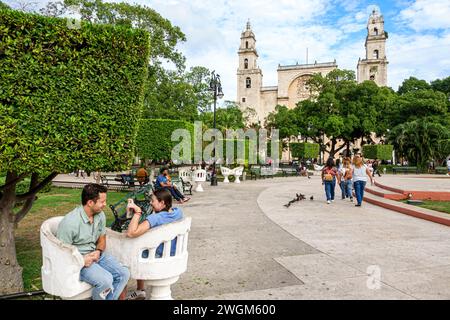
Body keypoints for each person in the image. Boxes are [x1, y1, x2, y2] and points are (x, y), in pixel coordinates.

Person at [56, 184, 130, 300]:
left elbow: (102, 239)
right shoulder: (70, 222)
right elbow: (61, 253)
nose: (105, 204)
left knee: (124, 273)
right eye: (102, 202)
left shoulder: (100, 215)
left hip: (96, 254)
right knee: (106, 280)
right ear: (90, 202)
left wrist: (99, 251)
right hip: (78, 261)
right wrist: (81, 260)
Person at [125, 189, 184, 300]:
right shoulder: (178, 212)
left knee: (130, 255)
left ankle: (138, 290)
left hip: (157, 258)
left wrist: (137, 212)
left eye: (153, 201)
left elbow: (131, 233)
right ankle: (140, 290)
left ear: (162, 203)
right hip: (174, 255)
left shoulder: (156, 218)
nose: (150, 203)